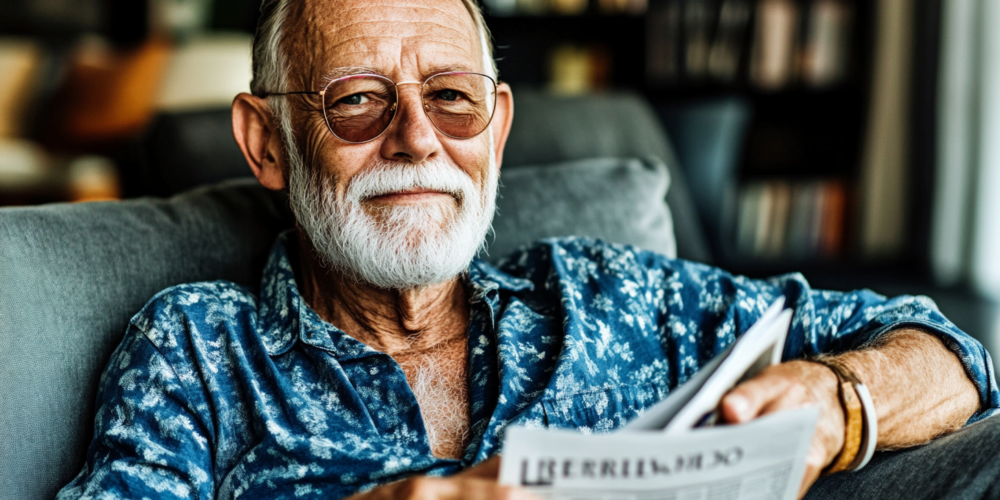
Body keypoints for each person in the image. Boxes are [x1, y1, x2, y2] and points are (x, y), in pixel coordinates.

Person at [58, 0, 1000, 499]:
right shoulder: (198, 350)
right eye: (356, 98)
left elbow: (952, 354)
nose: (418, 139)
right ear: (268, 142)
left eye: (453, 97)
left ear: (497, 129)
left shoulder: (609, 297)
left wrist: (839, 404)